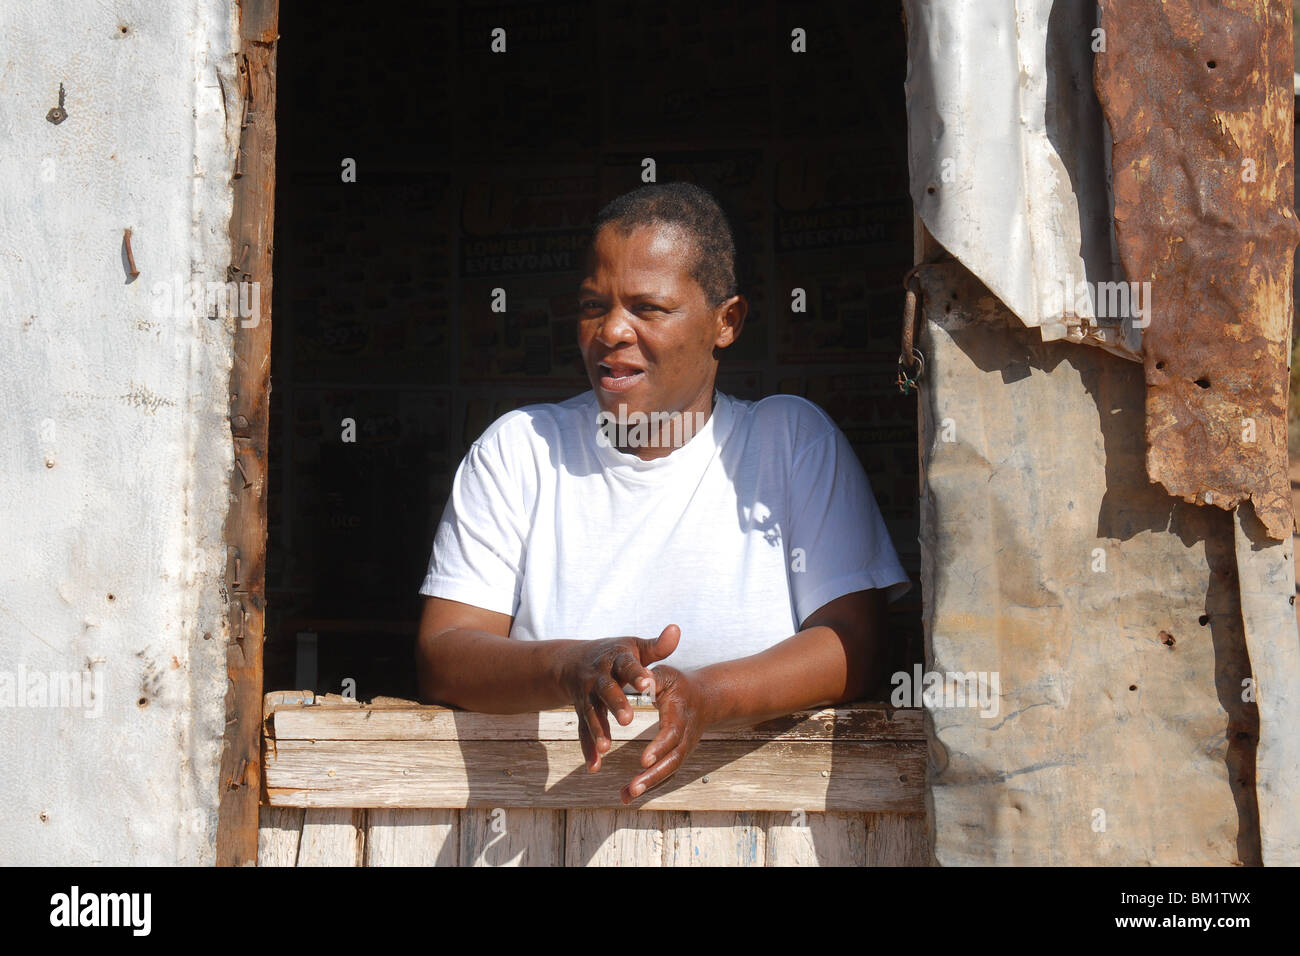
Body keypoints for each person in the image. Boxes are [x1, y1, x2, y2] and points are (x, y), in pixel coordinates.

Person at [416, 182, 910, 804]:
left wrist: (708, 695)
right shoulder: (521, 450)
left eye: (648, 308)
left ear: (725, 322)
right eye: (594, 305)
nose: (611, 330)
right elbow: (444, 650)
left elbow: (853, 643)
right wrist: (572, 665)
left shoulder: (790, 443)